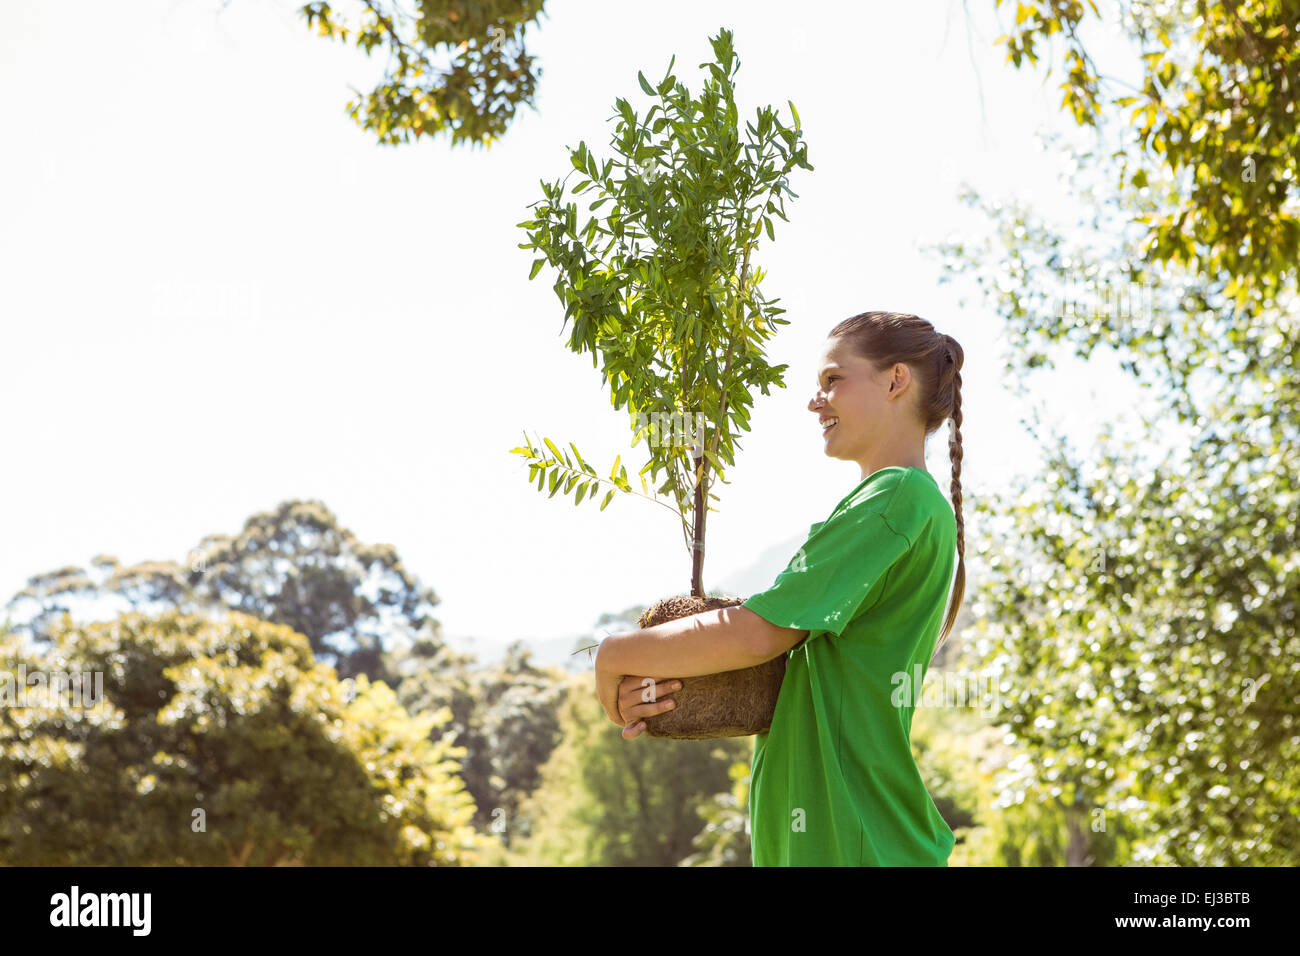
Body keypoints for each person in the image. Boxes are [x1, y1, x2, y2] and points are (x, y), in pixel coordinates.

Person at [593, 310, 966, 866]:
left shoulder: (897, 498)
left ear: (895, 380)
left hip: (856, 842)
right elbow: (779, 666)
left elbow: (760, 632)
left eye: (833, 380)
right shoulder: (902, 502)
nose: (816, 402)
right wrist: (663, 688)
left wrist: (616, 654)